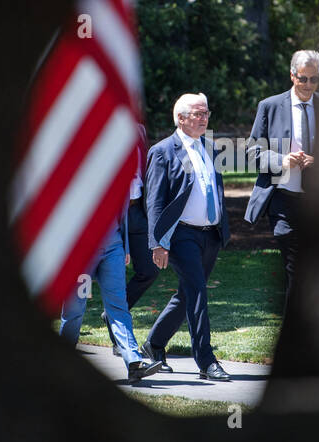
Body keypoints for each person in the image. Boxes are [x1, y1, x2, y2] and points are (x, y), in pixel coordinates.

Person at [143, 93, 232, 381]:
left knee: (187, 294)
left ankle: (154, 343)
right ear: (180, 118)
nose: (204, 118)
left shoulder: (211, 148)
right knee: (197, 292)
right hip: (180, 234)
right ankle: (206, 361)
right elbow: (154, 201)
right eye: (197, 113)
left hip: (211, 235)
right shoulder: (163, 151)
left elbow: (213, 189)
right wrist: (157, 242)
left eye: (206, 113)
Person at [245, 49, 319, 306]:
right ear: (292, 76)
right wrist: (280, 160)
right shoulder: (270, 106)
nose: (308, 85)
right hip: (283, 201)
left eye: (313, 79)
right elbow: (252, 152)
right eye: (303, 78)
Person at [58, 205, 163, 384]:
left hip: (112, 248)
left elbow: (122, 213)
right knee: (75, 307)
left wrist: (125, 247)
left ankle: (134, 363)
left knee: (118, 307)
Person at [101, 123, 164, 365]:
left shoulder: (139, 129)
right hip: (113, 212)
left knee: (149, 270)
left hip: (138, 210)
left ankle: (112, 313)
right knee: (111, 274)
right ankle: (121, 340)